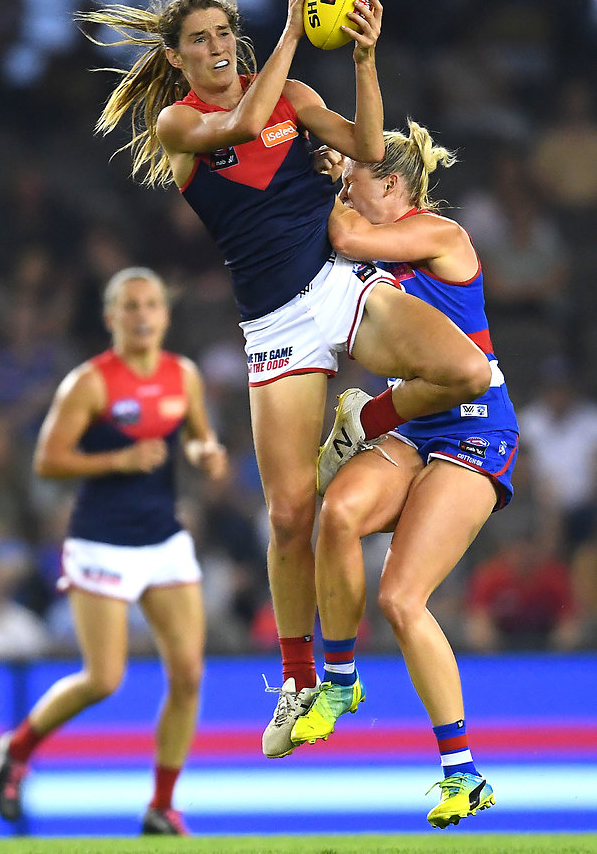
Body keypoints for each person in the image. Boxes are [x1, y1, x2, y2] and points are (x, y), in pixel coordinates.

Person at [74, 0, 492, 758]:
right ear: (174, 55)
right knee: (289, 515)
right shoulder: (178, 123)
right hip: (275, 327)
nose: (216, 46)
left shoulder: (292, 95)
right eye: (197, 39)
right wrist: (296, 30)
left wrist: (365, 59)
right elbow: (237, 120)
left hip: (339, 285)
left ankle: (359, 426)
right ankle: (301, 681)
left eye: (223, 32)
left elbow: (368, 148)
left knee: (467, 371)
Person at [291, 122, 519, 829]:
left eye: (356, 181)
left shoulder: (439, 234)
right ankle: (338, 681)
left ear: (391, 184)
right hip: (416, 426)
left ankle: (463, 772)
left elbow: (349, 239)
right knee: (336, 514)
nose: (347, 194)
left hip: (475, 426)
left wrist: (327, 183)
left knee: (401, 598)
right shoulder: (372, 232)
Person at [0, 267, 228, 837]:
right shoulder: (90, 383)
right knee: (104, 679)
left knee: (189, 674)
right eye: (131, 306)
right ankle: (15, 749)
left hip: (163, 538)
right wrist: (116, 461)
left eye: (151, 305)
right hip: (101, 540)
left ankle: (162, 806)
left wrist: (205, 452)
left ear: (165, 316)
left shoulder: (182, 376)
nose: (142, 315)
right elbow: (47, 460)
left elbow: (196, 434)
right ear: (111, 317)